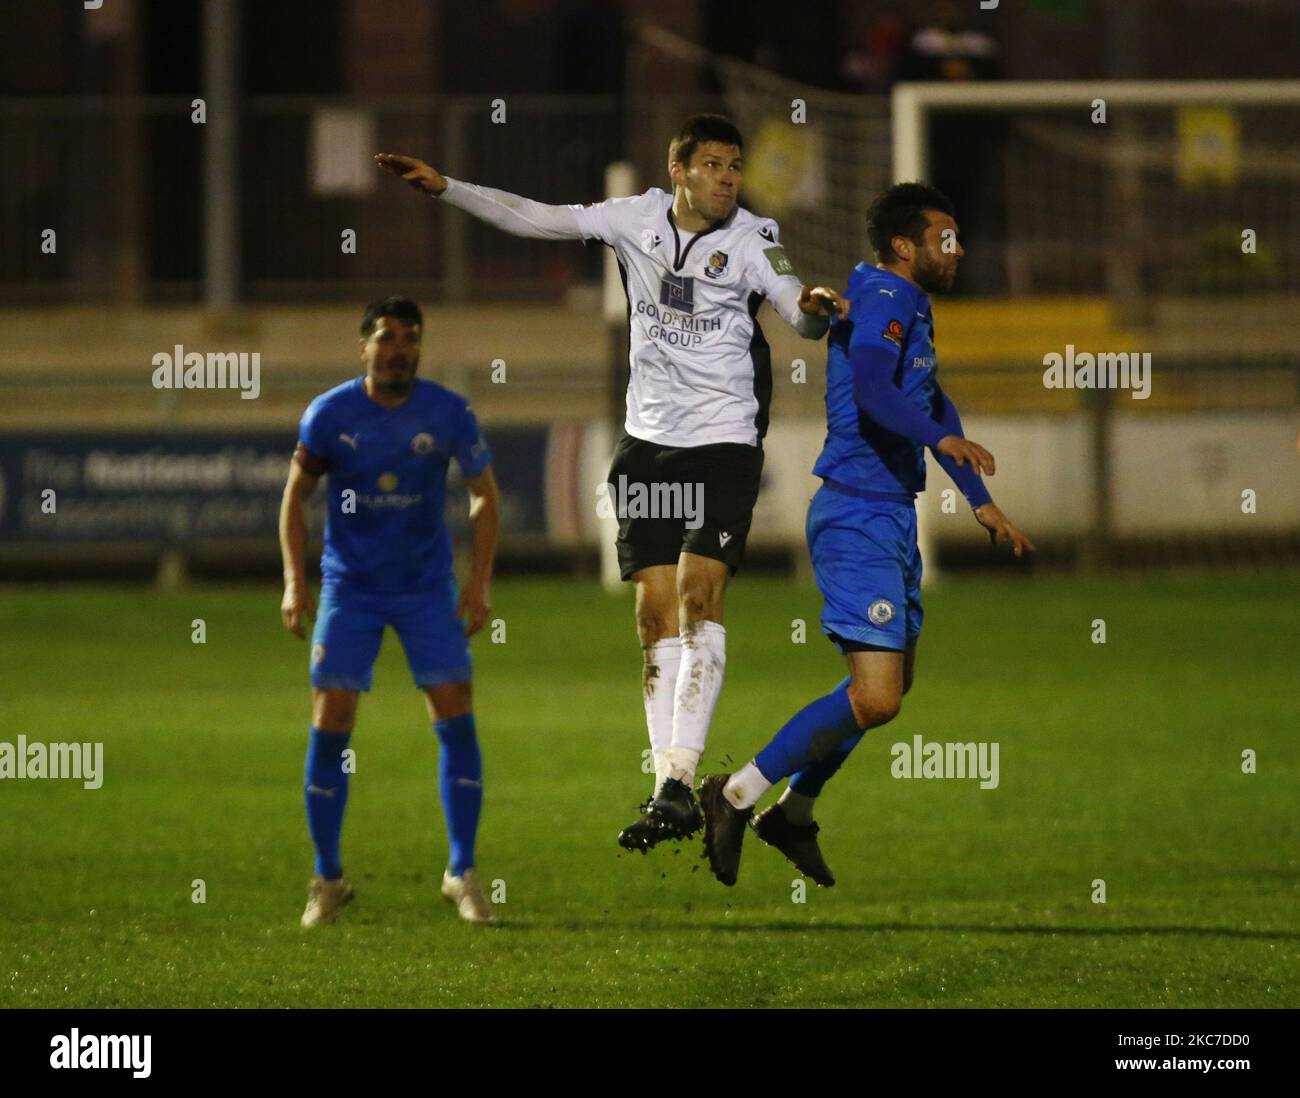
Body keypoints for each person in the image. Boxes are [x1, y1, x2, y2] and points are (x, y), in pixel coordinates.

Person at [376, 114, 847, 852]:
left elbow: (795, 304)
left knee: (699, 594)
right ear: (680, 170)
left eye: (735, 166)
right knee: (653, 617)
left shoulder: (754, 239)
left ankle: (678, 776)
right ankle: (673, 791)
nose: (728, 177)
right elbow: (538, 218)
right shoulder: (633, 220)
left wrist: (815, 313)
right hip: (646, 445)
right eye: (715, 165)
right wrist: (447, 189)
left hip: (723, 442)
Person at [697, 183, 1035, 886]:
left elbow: (929, 396)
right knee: (876, 696)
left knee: (889, 689)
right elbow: (880, 397)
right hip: (856, 514)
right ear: (906, 246)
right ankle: (734, 794)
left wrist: (980, 500)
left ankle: (793, 814)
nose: (959, 249)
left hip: (887, 512)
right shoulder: (883, 299)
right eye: (947, 237)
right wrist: (944, 441)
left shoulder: (905, 301)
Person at [279, 296, 501, 925]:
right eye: (386, 338)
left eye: (409, 339)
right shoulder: (329, 414)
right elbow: (294, 499)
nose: (398, 349)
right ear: (364, 348)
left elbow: (485, 496)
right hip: (350, 590)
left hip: (427, 589)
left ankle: (462, 871)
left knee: (457, 713)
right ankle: (327, 879)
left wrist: (477, 583)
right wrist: (296, 584)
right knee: (331, 721)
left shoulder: (448, 412)